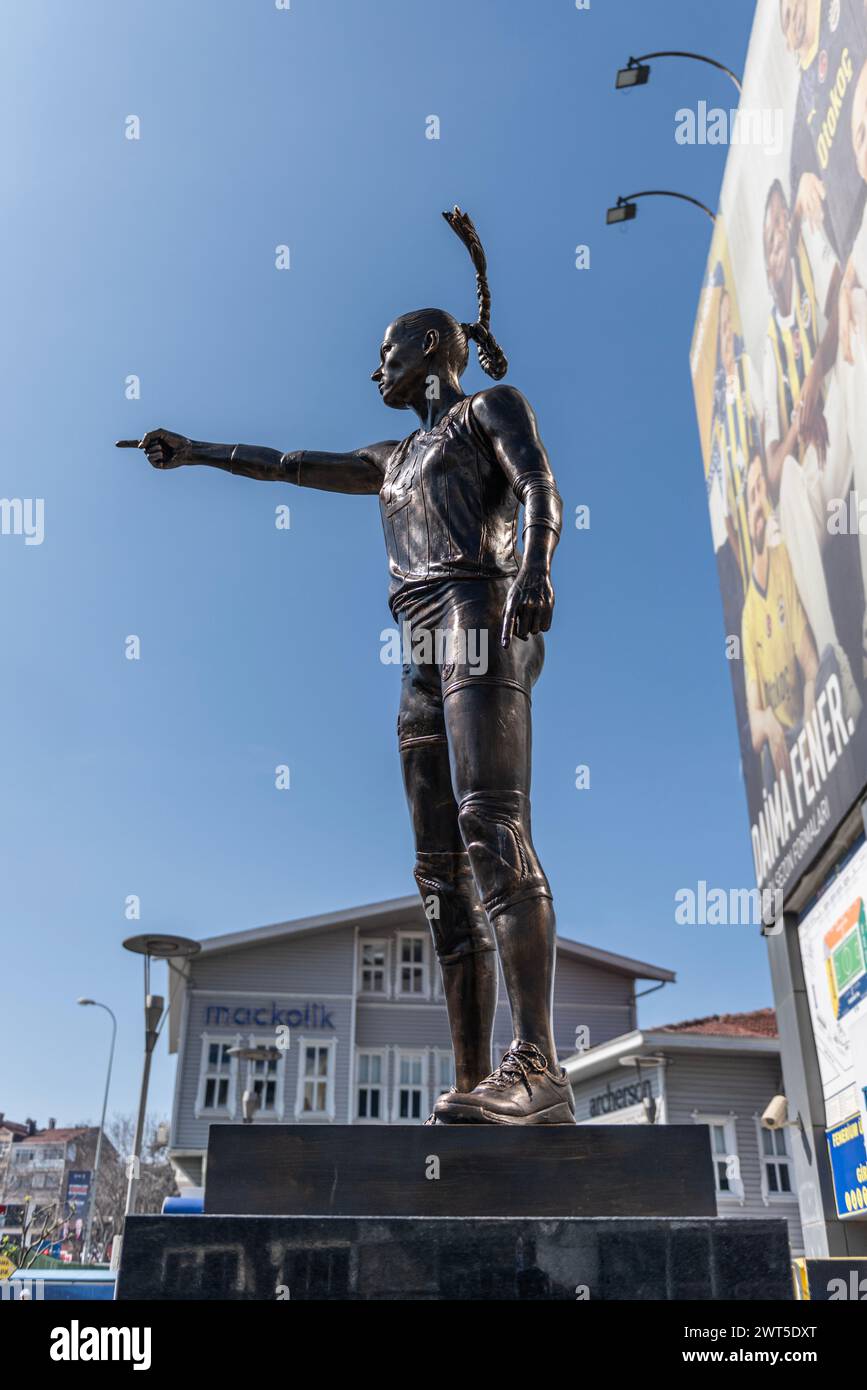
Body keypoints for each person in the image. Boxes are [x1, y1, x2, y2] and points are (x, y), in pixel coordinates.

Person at [126, 209, 575, 1126]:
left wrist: (534, 568)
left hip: (477, 612)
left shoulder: (490, 406)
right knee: (437, 872)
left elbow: (537, 485)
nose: (375, 370)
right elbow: (291, 462)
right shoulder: (390, 459)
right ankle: (470, 1078)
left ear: (426, 348)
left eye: (386, 353)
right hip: (416, 646)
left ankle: (538, 1066)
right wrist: (198, 450)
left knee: (491, 828)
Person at [761, 178, 862, 719]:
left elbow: (835, 305)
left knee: (853, 361)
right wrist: (800, 423)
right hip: (816, 476)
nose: (781, 243)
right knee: (790, 488)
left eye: (784, 228)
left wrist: (813, 383)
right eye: (772, 239)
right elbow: (774, 465)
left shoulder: (809, 265)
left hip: (843, 436)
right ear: (765, 257)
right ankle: (832, 660)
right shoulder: (767, 358)